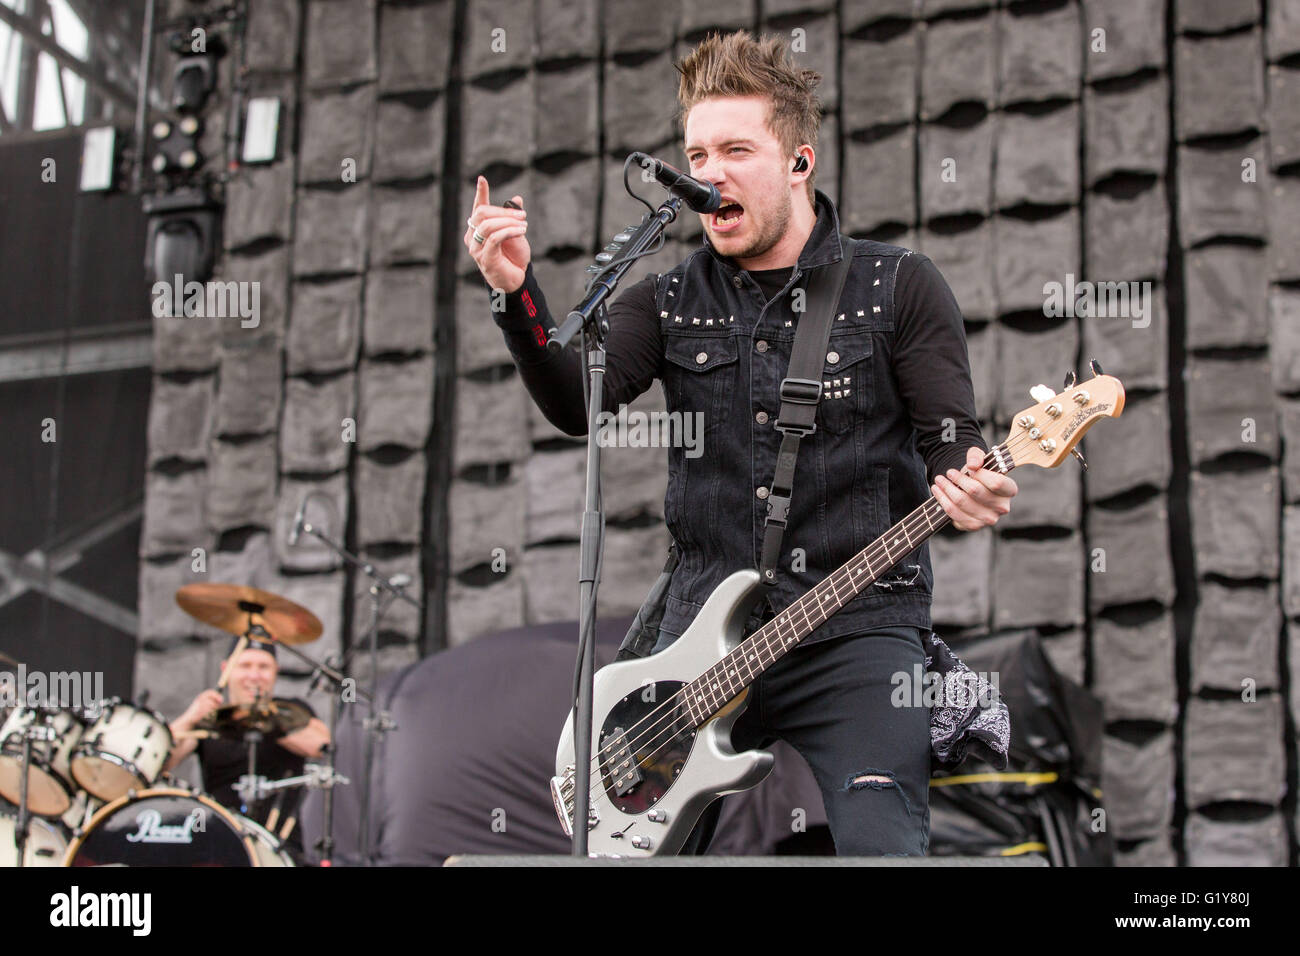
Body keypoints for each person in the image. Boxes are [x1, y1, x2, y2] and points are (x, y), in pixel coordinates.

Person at [465, 31, 1017, 856]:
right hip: (701, 645)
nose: (709, 172)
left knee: (885, 850)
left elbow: (950, 442)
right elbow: (577, 401)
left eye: (735, 149)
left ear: (799, 162)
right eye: (696, 152)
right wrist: (517, 294)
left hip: (856, 629)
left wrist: (970, 482)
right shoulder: (667, 299)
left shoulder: (897, 285)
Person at [166, 638, 329, 857]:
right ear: (226, 669)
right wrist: (190, 717)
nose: (254, 676)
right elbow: (161, 758)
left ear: (275, 671)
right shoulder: (212, 719)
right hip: (218, 843)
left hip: (280, 847)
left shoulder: (291, 711)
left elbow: (321, 745)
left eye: (263, 667)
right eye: (245, 666)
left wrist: (264, 718)